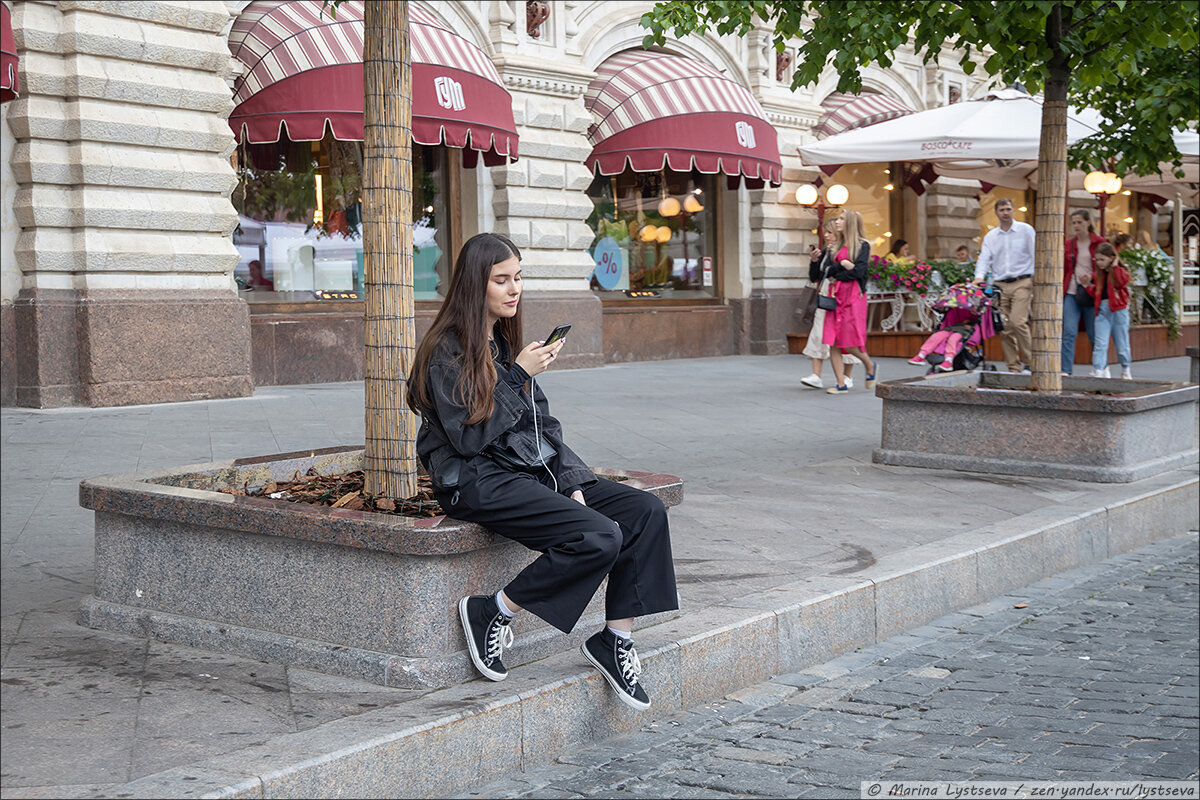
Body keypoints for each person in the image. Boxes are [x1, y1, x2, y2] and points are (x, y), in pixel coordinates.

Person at [406, 232, 678, 710]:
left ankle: (614, 641)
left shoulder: (502, 342)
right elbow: (469, 438)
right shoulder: (443, 350)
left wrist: (570, 482)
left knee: (645, 511)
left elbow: (543, 425)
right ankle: (493, 610)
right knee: (599, 537)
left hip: (522, 472)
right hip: (474, 481)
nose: (514, 289)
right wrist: (520, 375)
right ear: (475, 285)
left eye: (518, 278)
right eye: (501, 280)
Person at [973, 198, 1035, 373]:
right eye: (1002, 210)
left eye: (1008, 209)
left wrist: (1037, 277)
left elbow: (1035, 253)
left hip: (1022, 281)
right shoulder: (991, 236)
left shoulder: (1026, 230)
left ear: (1013, 210)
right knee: (1004, 327)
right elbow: (984, 259)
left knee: (1018, 321)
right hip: (1000, 285)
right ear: (996, 213)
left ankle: (1031, 363)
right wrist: (978, 277)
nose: (1005, 213)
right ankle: (1013, 367)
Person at [823, 210, 878, 394]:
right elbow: (828, 271)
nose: (837, 222)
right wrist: (843, 265)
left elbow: (859, 273)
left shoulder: (862, 246)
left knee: (847, 340)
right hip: (836, 294)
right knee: (833, 340)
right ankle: (841, 384)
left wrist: (841, 271)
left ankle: (869, 364)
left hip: (854, 296)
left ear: (851, 223)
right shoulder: (836, 246)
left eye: (841, 219)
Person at [800, 219, 859, 389]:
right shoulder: (827, 251)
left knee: (845, 336)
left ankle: (847, 377)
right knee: (818, 332)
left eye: (829, 232)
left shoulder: (850, 250)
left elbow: (854, 272)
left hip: (844, 296)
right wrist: (813, 261)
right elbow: (815, 277)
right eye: (824, 232)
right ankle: (816, 375)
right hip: (826, 296)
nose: (826, 236)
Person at [1062, 209, 1104, 376]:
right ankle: (1065, 370)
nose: (1076, 226)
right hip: (1072, 292)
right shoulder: (1069, 244)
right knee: (1068, 331)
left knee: (1094, 333)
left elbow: (1106, 267)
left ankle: (1099, 368)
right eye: (1073, 222)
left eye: (1079, 222)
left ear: (1088, 222)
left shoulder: (1099, 242)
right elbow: (1064, 269)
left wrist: (1091, 276)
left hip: (1092, 292)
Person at [1089, 242, 1133, 379]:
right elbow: (1098, 293)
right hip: (1102, 310)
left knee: (1122, 343)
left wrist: (1115, 267)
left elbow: (1120, 283)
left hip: (1119, 311)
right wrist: (1086, 286)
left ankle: (1126, 369)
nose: (1099, 263)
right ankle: (1099, 370)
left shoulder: (1120, 271)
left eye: (1102, 259)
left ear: (1112, 258)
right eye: (1097, 260)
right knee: (1100, 343)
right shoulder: (1099, 275)